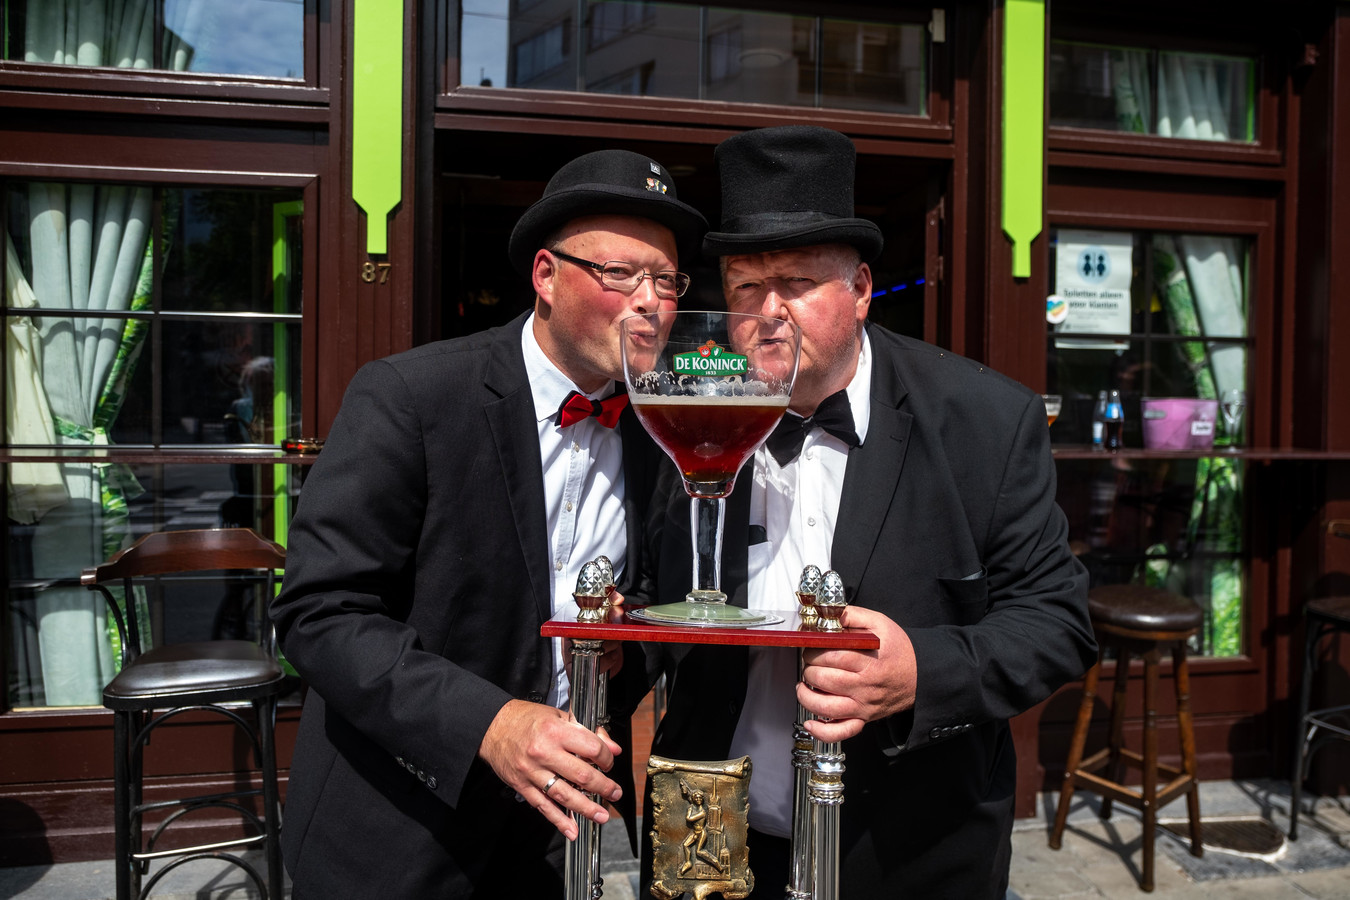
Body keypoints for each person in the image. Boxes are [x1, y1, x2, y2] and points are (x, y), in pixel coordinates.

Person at [639, 125, 1096, 898]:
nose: (768, 311)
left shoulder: (984, 420)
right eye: (745, 286)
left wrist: (921, 672)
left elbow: (1057, 622)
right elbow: (652, 591)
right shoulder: (686, 415)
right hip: (709, 836)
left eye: (797, 281)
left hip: (908, 846)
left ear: (859, 289)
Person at [270, 149, 707, 898]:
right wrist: (491, 724)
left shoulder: (659, 430)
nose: (650, 302)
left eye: (666, 281)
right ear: (546, 275)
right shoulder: (410, 397)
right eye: (620, 273)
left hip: (557, 838)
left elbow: (651, 608)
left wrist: (624, 647)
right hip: (399, 831)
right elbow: (319, 614)